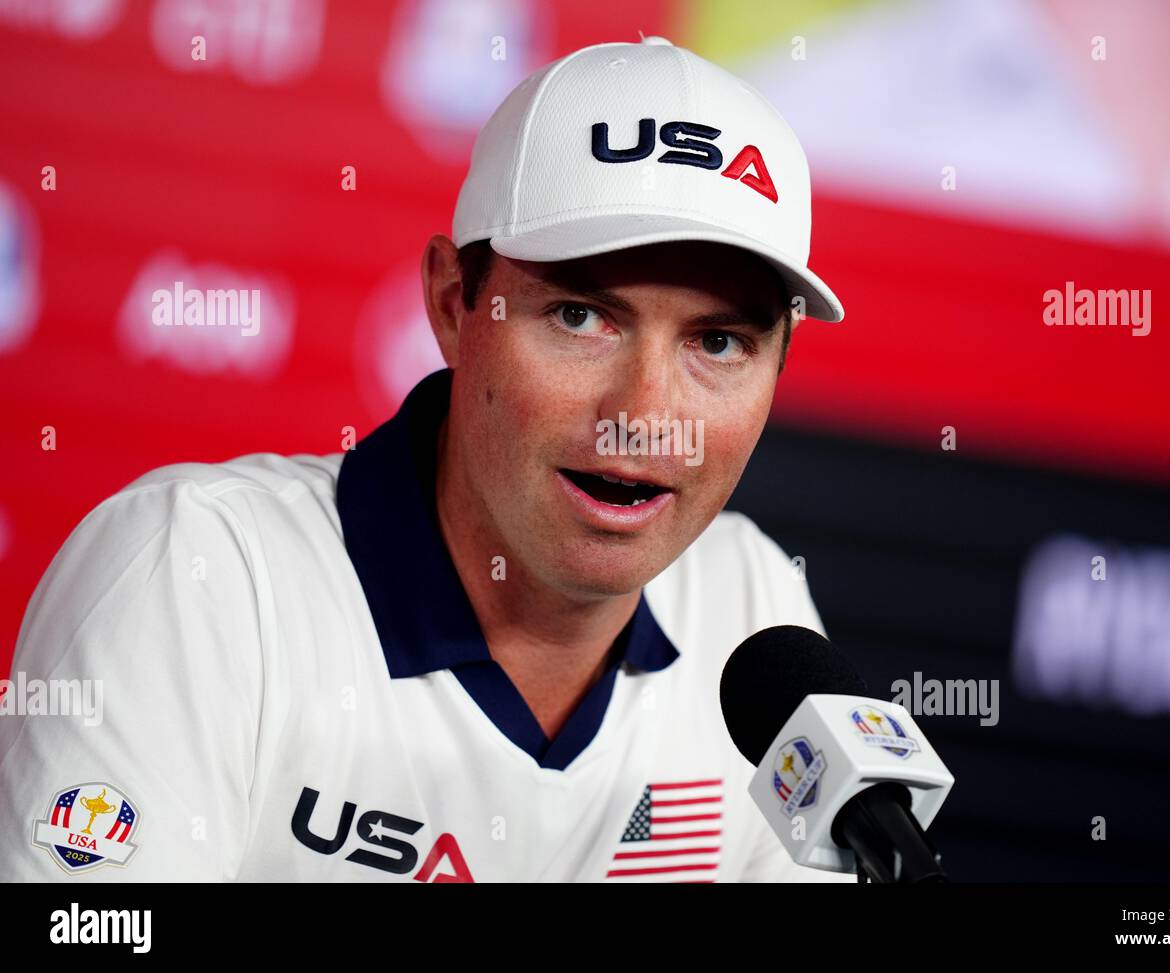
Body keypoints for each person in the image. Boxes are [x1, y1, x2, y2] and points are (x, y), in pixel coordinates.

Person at [0, 35, 851, 882]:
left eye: (719, 340)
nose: (645, 418)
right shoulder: (194, 574)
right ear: (453, 304)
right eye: (581, 317)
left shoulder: (752, 601)